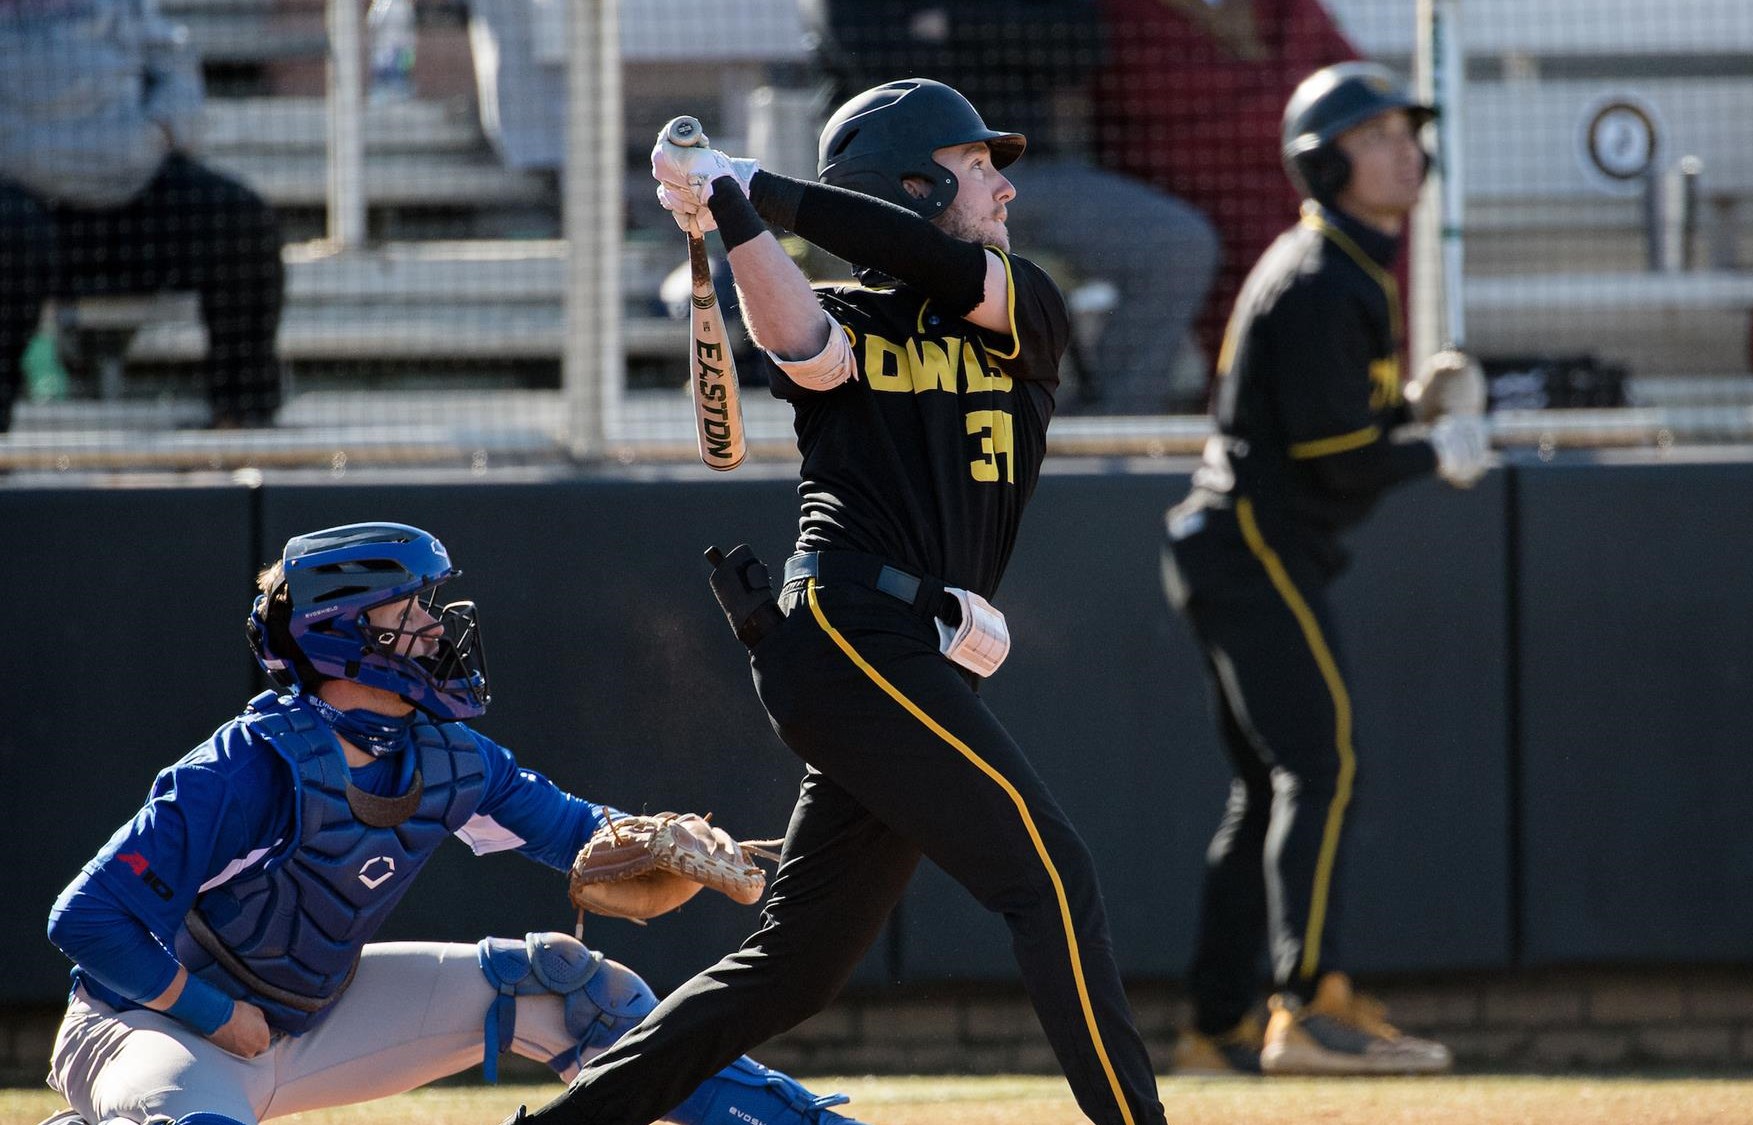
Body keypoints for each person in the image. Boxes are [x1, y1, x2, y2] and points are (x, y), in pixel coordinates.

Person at [509, 79, 1168, 1125]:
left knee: (792, 968)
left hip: (906, 652)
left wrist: (747, 186)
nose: (1000, 184)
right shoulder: (845, 314)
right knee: (1048, 873)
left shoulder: (1020, 303)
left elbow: (943, 267)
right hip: (848, 632)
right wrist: (731, 213)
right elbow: (798, 342)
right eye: (972, 164)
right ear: (906, 185)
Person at [42, 522, 862, 1125]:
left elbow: (577, 832)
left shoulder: (449, 755)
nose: (435, 627)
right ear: (343, 635)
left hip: (307, 1015)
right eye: (407, 611)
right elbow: (85, 918)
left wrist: (664, 835)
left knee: (577, 992)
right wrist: (212, 1013)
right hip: (145, 1025)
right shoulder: (243, 767)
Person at [1158, 64, 1488, 1077]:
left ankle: (1215, 1029)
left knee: (1266, 789)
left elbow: (1336, 434)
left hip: (1244, 547)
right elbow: (1327, 461)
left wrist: (1410, 419)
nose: (1405, 149)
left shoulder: (1348, 264)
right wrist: (1434, 448)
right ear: (1323, 157)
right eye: (1377, 134)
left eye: (1405, 132)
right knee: (1322, 764)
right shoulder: (1318, 276)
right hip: (1252, 546)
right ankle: (1308, 1007)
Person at [801, 0, 1219, 413]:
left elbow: (1080, 47)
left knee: (1179, 244)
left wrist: (955, 20)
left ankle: (1113, 426)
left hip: (1031, 176)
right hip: (904, 184)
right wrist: (1009, 36)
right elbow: (884, 63)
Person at [0, 0, 285, 430]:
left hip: (132, 200)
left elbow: (174, 65)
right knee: (11, 237)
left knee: (241, 223)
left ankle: (242, 420)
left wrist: (160, 131)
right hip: (24, 210)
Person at [1095, 0, 1364, 365]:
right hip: (1194, 178)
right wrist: (1294, 115)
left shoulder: (1290, 9)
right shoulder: (1130, 12)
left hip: (1304, 175)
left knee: (1370, 220)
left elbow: (1354, 80)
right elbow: (1152, 99)